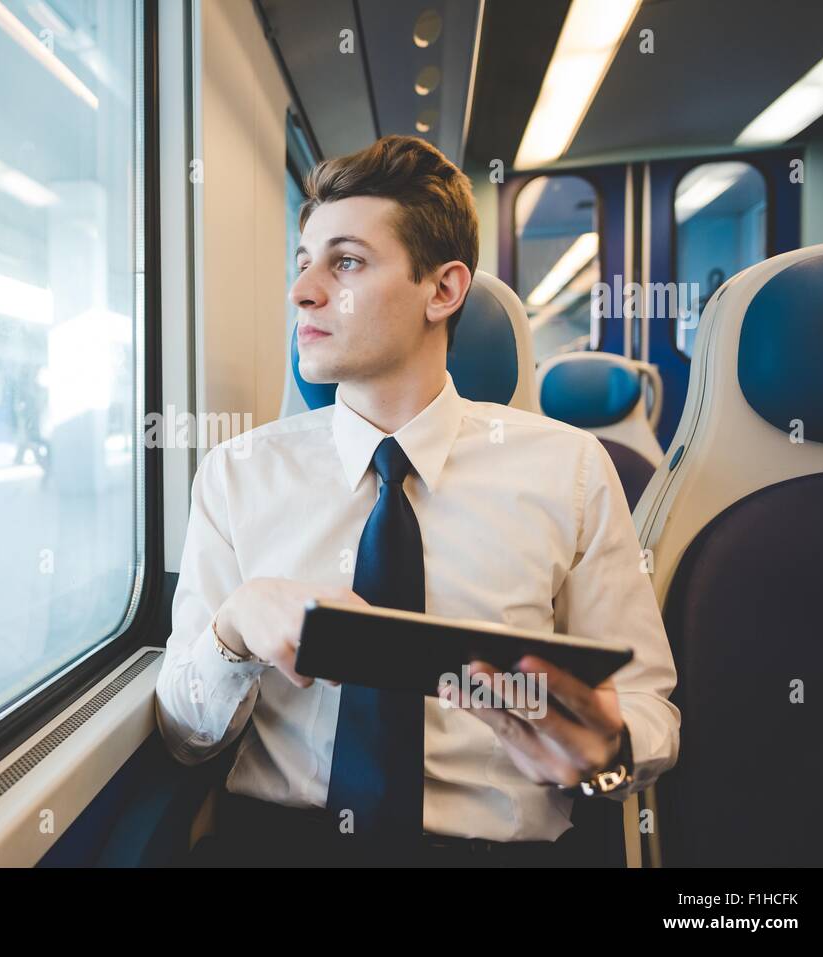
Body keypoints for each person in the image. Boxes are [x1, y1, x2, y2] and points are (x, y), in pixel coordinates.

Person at [153, 134, 680, 867]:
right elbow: (184, 733)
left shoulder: (571, 472)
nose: (302, 290)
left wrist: (605, 750)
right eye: (303, 262)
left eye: (345, 262)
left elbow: (650, 710)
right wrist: (232, 631)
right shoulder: (237, 474)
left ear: (443, 290)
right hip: (282, 847)